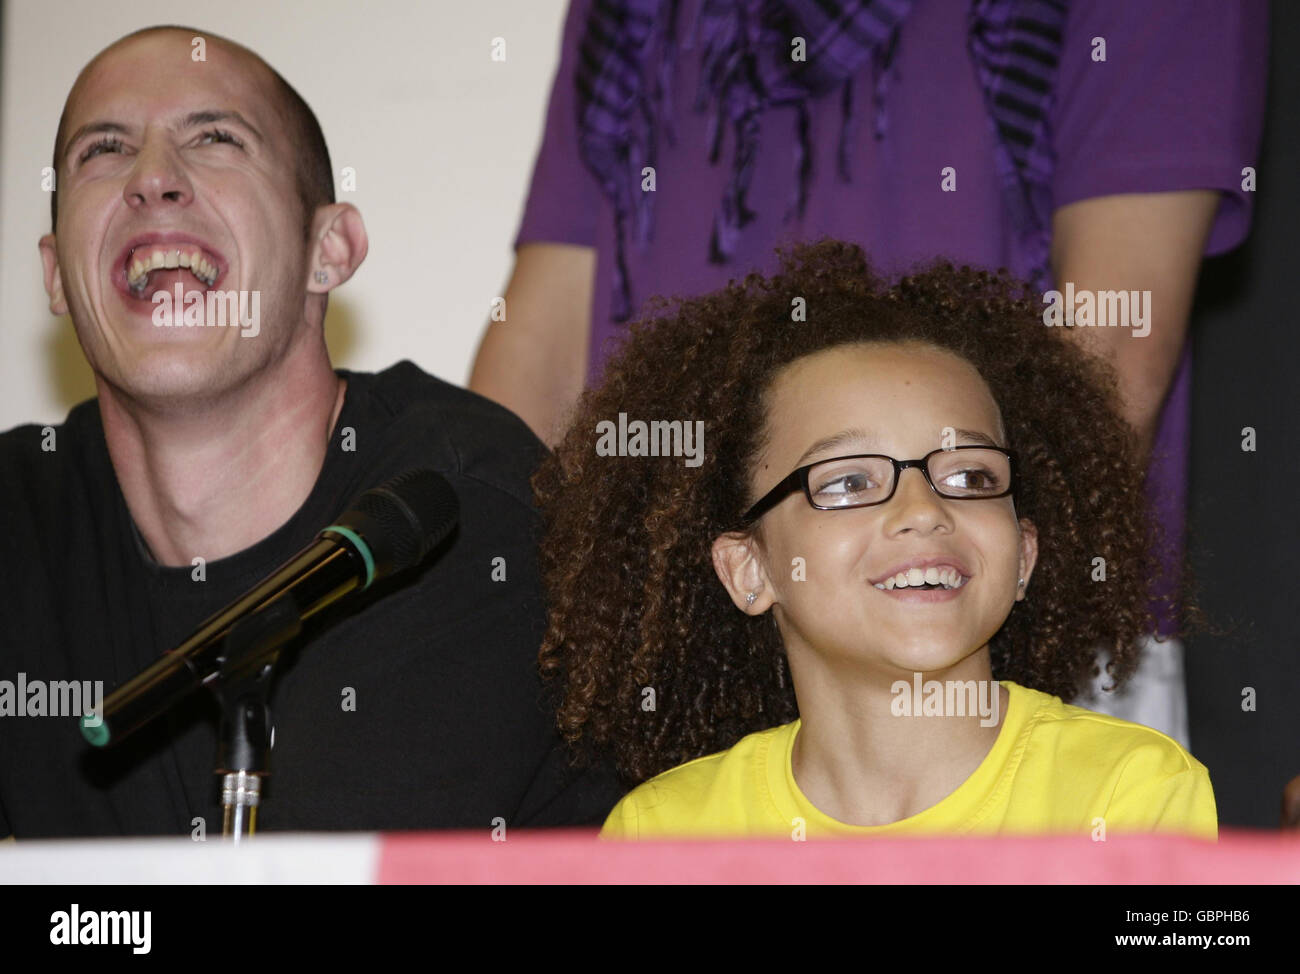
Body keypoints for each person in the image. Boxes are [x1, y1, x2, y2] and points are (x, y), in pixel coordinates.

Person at [471, 0, 1269, 755]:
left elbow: (1118, 347)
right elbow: (539, 354)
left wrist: (947, 614)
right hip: (681, 652)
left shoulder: (1124, 784)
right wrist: (485, 620)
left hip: (1004, 647)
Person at [0, 25, 621, 838]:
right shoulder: (22, 520)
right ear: (56, 275)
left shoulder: (454, 512)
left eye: (215, 138)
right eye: (103, 150)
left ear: (329, 250)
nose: (152, 178)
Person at [534, 240, 1215, 839]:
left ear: (1025, 556)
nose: (923, 510)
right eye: (850, 482)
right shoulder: (664, 837)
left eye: (971, 476)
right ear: (748, 570)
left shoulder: (1133, 793)